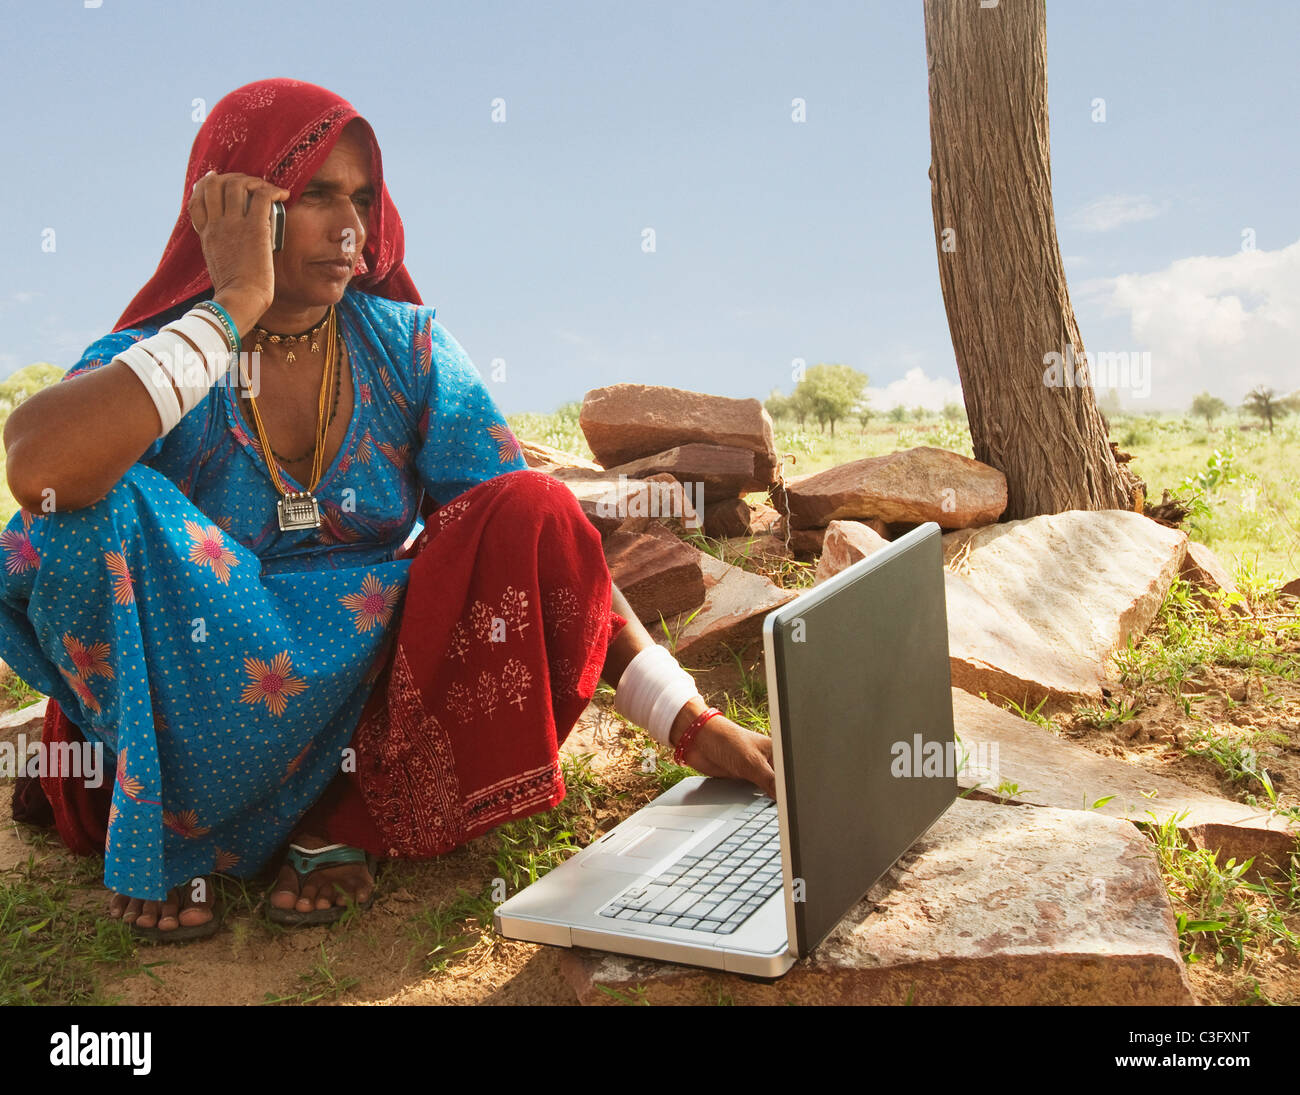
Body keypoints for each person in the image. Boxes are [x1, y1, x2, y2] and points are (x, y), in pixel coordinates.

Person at [0, 78, 776, 943]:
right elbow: (37, 467)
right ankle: (177, 833)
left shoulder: (405, 348)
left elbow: (531, 537)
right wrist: (229, 310)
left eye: (363, 198)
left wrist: (686, 717)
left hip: (360, 712)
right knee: (79, 515)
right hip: (192, 723)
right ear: (229, 212)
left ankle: (349, 817)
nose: (351, 229)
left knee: (535, 503)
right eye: (315, 196)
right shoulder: (168, 356)